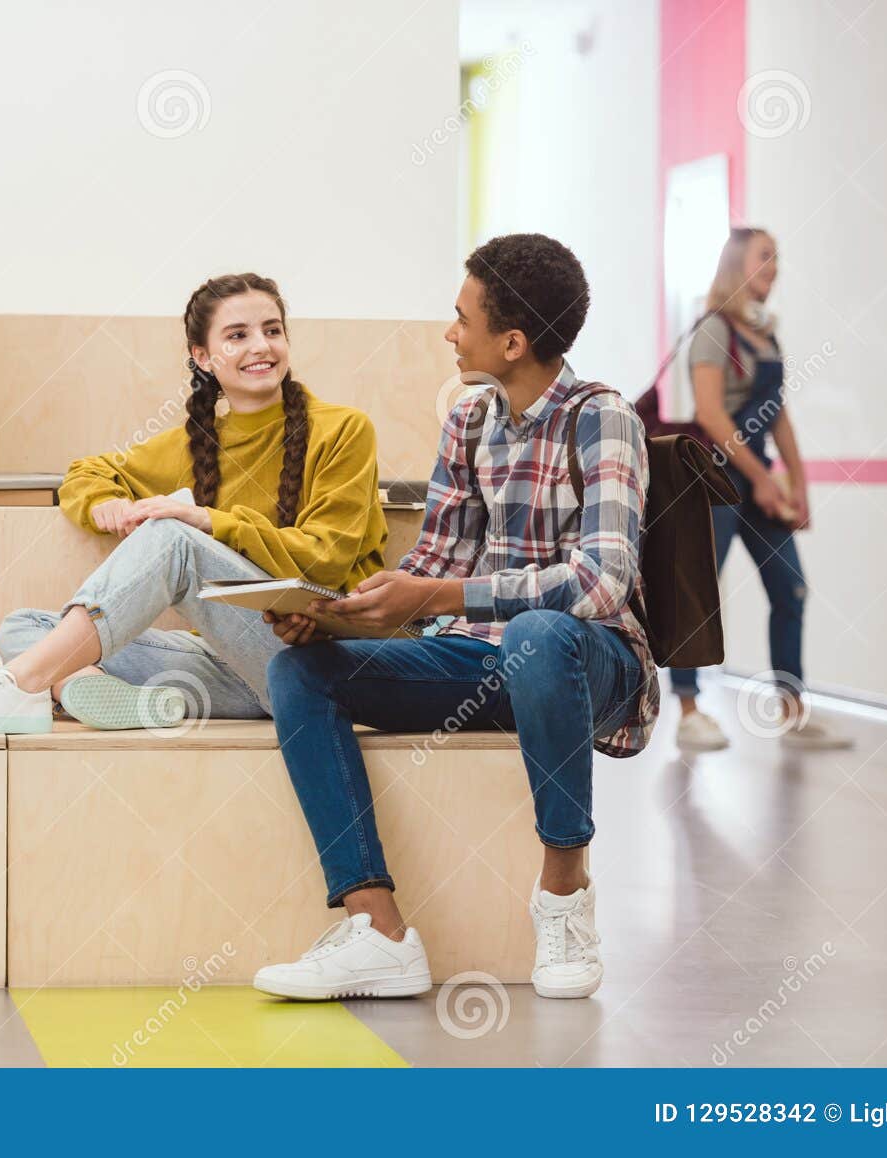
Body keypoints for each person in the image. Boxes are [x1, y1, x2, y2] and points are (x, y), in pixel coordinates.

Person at [249, 234, 653, 1002]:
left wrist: (439, 599)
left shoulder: (603, 419)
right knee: (300, 671)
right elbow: (434, 566)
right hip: (478, 660)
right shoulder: (471, 419)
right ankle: (378, 931)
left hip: (588, 661)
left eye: (462, 318)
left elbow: (601, 583)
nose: (449, 333)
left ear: (513, 342)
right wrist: (338, 616)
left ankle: (564, 896)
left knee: (539, 635)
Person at [0, 274, 387, 733]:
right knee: (24, 628)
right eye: (238, 335)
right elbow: (87, 472)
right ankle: (88, 688)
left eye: (272, 330)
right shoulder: (194, 445)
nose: (261, 346)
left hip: (320, 663)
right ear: (203, 357)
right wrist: (106, 503)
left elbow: (325, 559)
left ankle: (18, 687)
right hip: (232, 669)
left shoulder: (345, 429)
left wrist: (206, 520)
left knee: (172, 537)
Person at [669, 229, 851, 752]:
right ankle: (688, 711)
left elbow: (779, 415)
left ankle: (792, 713)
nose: (774, 266)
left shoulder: (766, 336)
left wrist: (798, 483)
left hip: (758, 481)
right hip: (717, 480)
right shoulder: (713, 330)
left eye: (777, 257)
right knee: (700, 594)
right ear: (736, 265)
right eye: (764, 256)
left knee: (790, 589)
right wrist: (763, 479)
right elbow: (711, 414)